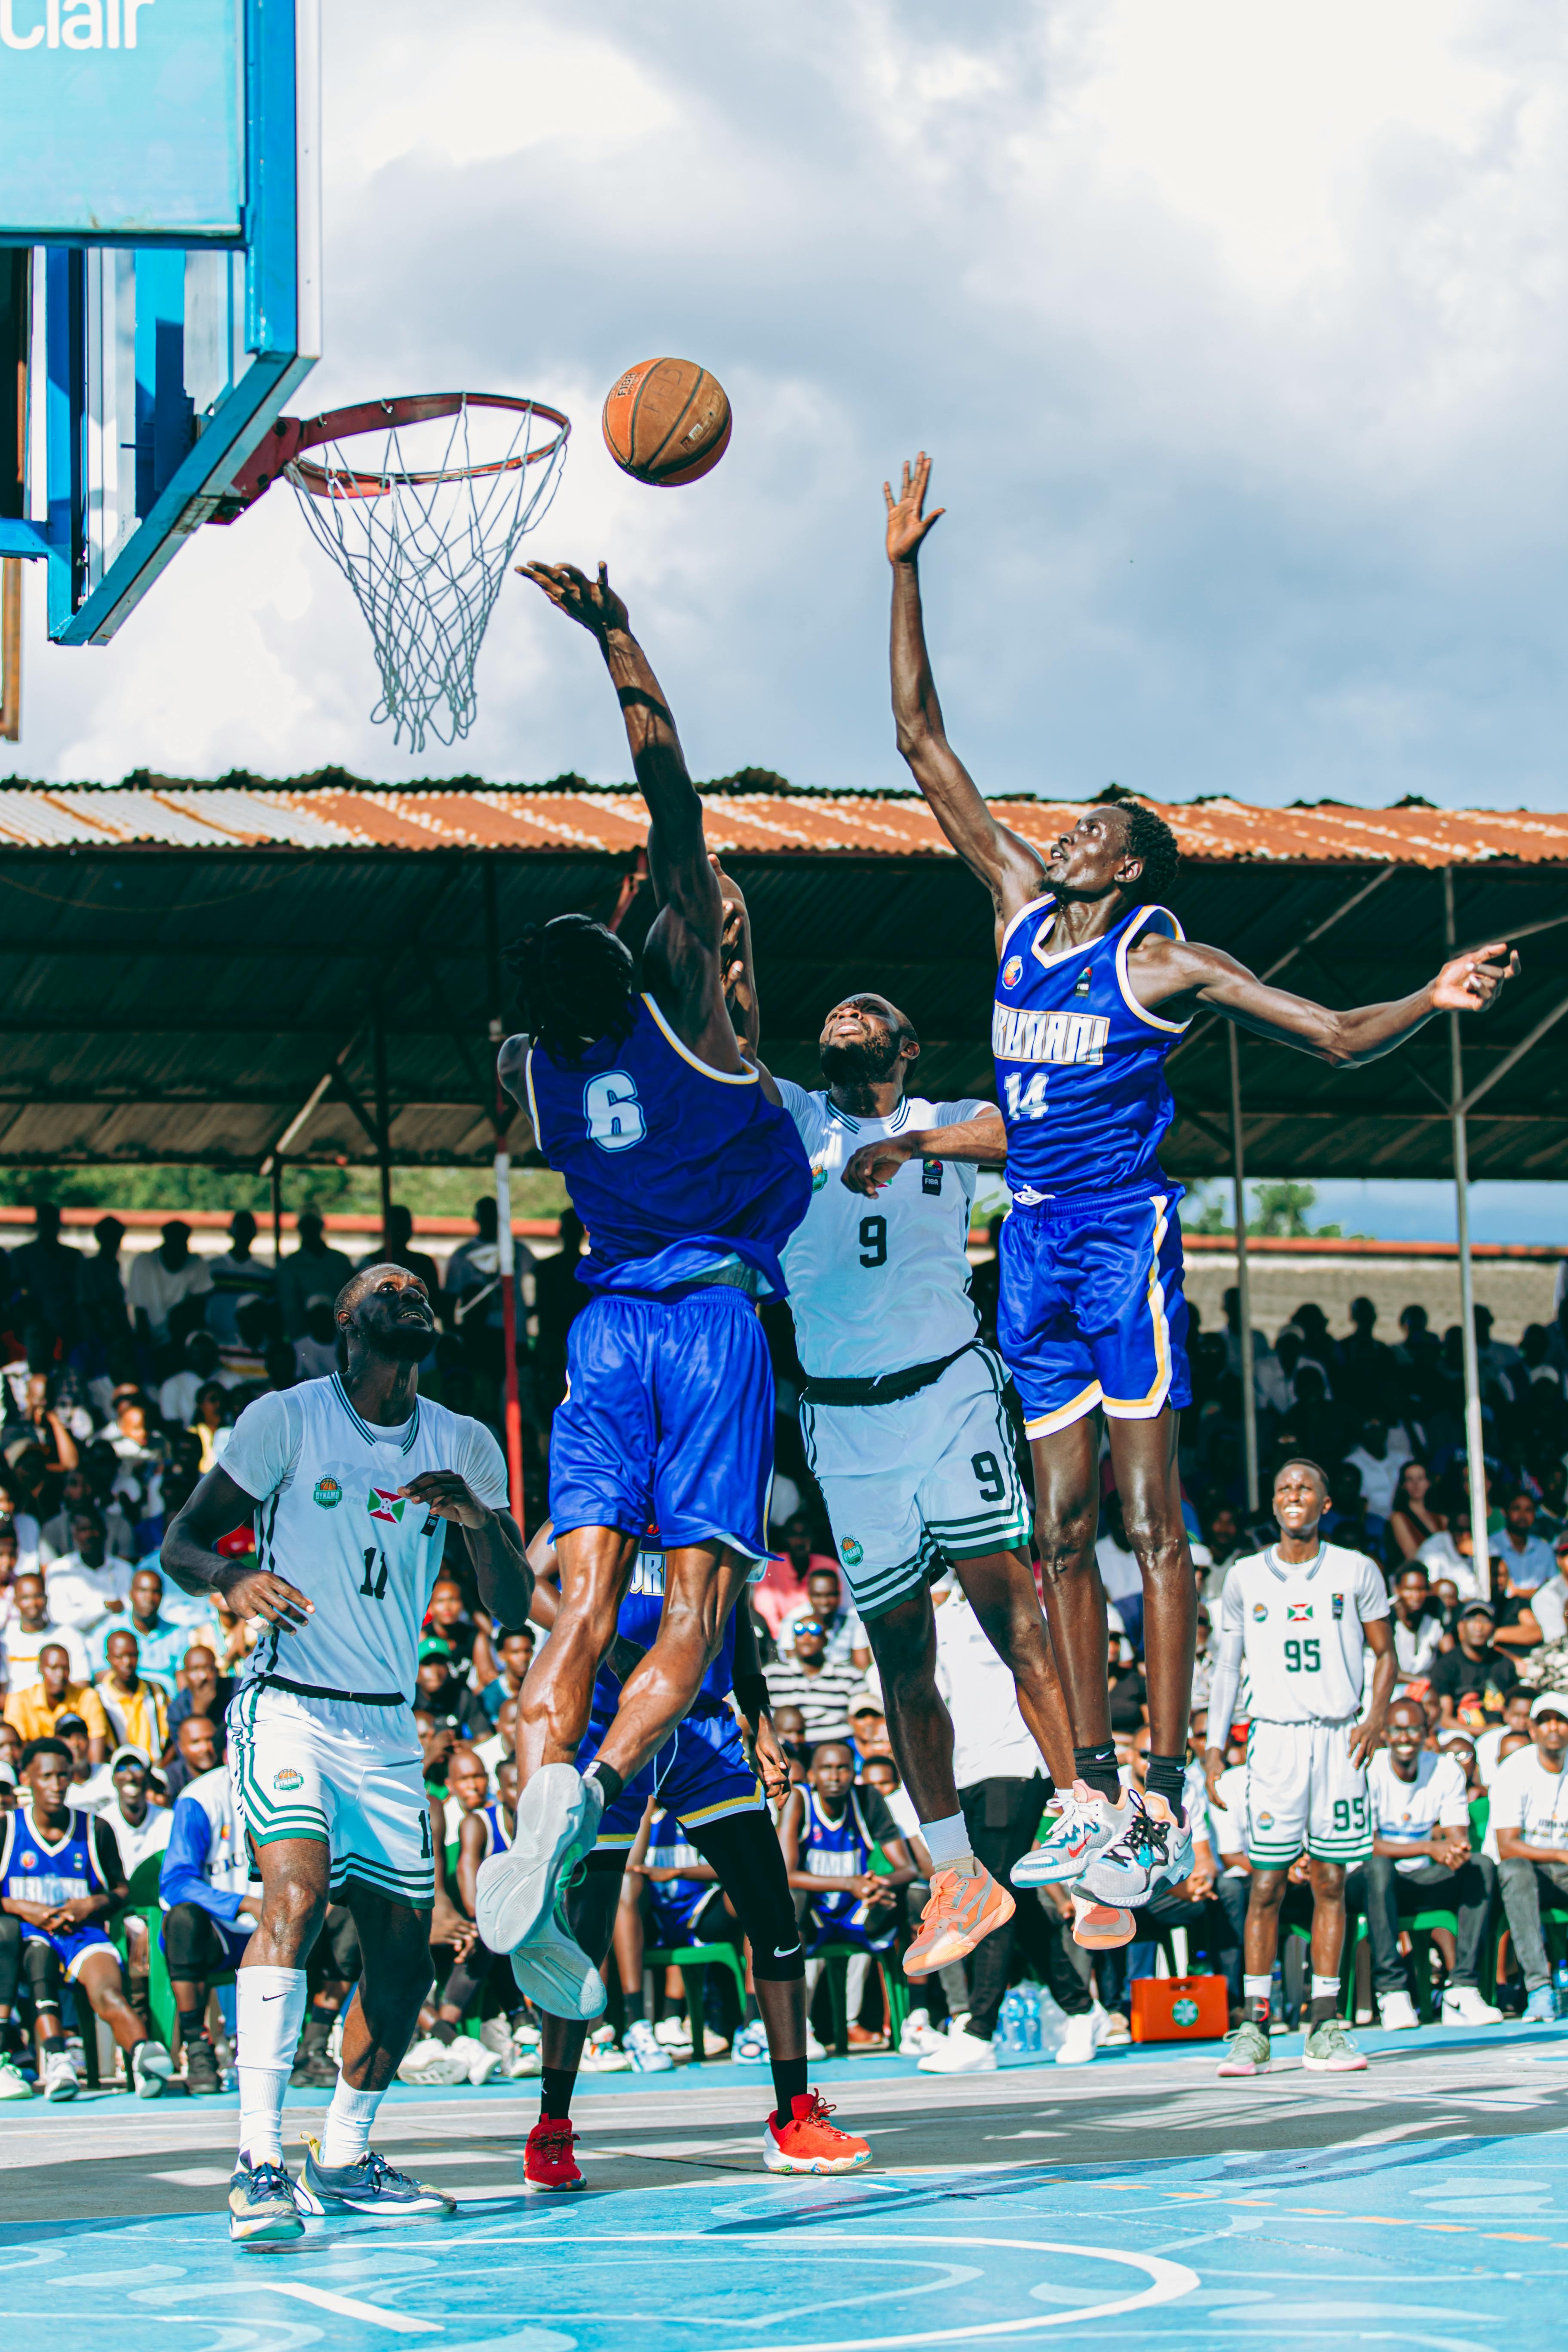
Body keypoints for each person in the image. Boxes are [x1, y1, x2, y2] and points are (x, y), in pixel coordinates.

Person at [864, 450, 1515, 1942]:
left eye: (1098, 824)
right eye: (1074, 825)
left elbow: (1336, 1038)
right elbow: (916, 737)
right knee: (1051, 1529)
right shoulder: (1023, 913)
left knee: (1153, 1523)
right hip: (1027, 1242)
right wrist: (901, 567)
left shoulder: (1163, 956)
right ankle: (1091, 1783)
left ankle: (1163, 1778)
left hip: (1117, 1241)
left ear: (1137, 858)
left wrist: (1422, 989)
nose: (1070, 829)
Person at [481, 556, 811, 2005]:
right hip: (706, 1327)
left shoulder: (534, 1075)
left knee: (576, 1607)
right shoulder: (684, 1013)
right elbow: (674, 802)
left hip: (603, 1332)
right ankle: (596, 1785)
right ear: (649, 941)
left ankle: (538, 1790)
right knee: (691, 1613)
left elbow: (553, 1016)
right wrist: (619, 636)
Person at [161, 1258, 530, 2243]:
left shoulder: (464, 1441)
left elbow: (509, 1600)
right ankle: (255, 2162)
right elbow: (180, 1541)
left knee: (406, 1958)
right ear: (348, 1320)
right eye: (390, 1292)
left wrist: (478, 1519)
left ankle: (341, 2154)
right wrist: (232, 1574)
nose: (410, 1299)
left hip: (384, 1724)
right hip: (288, 1703)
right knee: (293, 1893)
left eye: (420, 1293)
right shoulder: (286, 1417)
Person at [732, 921, 1074, 1983]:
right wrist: (719, 937)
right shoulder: (791, 1115)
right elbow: (725, 1045)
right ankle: (959, 1873)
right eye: (833, 1013)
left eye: (867, 1011)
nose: (846, 1014)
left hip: (950, 1397)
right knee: (903, 1661)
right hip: (846, 1422)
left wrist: (911, 1144)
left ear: (907, 1045)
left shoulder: (949, 1118)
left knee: (1010, 1610)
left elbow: (1030, 1136)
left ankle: (1091, 1808)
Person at [514, 1523, 870, 2185]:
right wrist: (609, 1644)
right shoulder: (602, 1486)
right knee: (583, 1934)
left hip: (701, 1727)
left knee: (772, 1914)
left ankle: (794, 2120)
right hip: (605, 1727)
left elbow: (733, 1613)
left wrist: (759, 1715)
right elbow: (520, 1581)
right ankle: (552, 2129)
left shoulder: (706, 1488)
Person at [1204, 1458, 1395, 2076]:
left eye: (1306, 1488)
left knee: (1333, 1883)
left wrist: (1375, 1718)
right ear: (1275, 1503)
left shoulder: (1356, 1570)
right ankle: (1255, 2025)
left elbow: (1385, 1652)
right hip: (1275, 1740)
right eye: (1285, 1487)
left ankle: (1324, 2022)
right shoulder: (1243, 1576)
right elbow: (1227, 1667)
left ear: (1325, 1504)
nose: (1294, 1495)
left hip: (1340, 1738)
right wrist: (1213, 1745)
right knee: (1265, 1881)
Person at [916, 1575, 1100, 2073]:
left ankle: (980, 2031)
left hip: (1015, 1766)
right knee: (1012, 1904)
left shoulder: (1005, 1599)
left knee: (988, 1898)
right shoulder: (931, 1616)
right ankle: (1081, 2008)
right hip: (964, 1773)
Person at [0, 1737, 174, 2099]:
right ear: (27, 1778)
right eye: (46, 1776)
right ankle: (58, 2057)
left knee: (107, 1991)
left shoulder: (95, 1830)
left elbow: (121, 1891)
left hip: (85, 1933)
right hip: (30, 1935)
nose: (56, 1785)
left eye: (63, 1776)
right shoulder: (8, 1829)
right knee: (39, 1959)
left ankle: (143, 2054)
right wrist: (22, 1907)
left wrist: (89, 1905)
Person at [1348, 1696, 1498, 2030]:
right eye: (1398, 1730)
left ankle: (1462, 1989)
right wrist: (1430, 1847)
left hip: (1420, 1880)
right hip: (1371, 1883)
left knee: (1481, 1866)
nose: (1406, 1738)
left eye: (1414, 1729)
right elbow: (1362, 1845)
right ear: (1385, 1733)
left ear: (1426, 1732)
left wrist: (1455, 1849)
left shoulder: (1445, 1769)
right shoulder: (1367, 1769)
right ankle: (1392, 1992)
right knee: (1380, 1869)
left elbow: (1455, 1836)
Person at [781, 1741, 916, 2044]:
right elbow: (785, 1875)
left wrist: (876, 1886)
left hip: (858, 1909)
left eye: (842, 1768)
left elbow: (907, 1868)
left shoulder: (867, 1798)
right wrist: (849, 1882)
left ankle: (914, 2022)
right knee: (790, 1903)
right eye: (826, 1769)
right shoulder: (799, 1800)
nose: (835, 1776)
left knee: (909, 1898)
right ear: (812, 1775)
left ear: (853, 1773)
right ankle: (799, 2028)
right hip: (813, 1916)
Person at [159, 1754, 264, 2095]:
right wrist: (242, 1903)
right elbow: (175, 1882)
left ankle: (314, 2044)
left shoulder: (296, 1787)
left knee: (342, 1917)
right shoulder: (199, 1798)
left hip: (279, 1926)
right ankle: (198, 2047)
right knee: (182, 1921)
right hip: (219, 1930)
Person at [1491, 1695, 1568, 2023]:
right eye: (1545, 1720)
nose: (1554, 1727)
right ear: (1533, 1729)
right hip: (1523, 1875)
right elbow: (1507, 1847)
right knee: (1516, 1870)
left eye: (1561, 1720)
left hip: (1563, 1872)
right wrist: (1560, 1853)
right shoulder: (1515, 1768)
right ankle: (1539, 1989)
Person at [762, 1618, 861, 1749]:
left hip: (835, 1750)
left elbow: (863, 1719)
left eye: (814, 1631)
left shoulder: (849, 1675)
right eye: (800, 1631)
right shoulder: (772, 1674)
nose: (806, 1637)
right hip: (787, 1750)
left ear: (826, 1639)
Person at [4, 1642, 110, 1758]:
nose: (60, 1675)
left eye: (65, 1668)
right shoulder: (19, 1700)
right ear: (41, 1668)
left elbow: (97, 1755)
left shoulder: (87, 1697)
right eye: (53, 1668)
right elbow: (18, 1752)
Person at [1430, 1598, 1518, 1729]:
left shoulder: (1505, 1664)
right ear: (1461, 1627)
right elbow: (1444, 1720)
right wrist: (1482, 1731)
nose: (1478, 1626)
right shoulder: (1446, 1665)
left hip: (1499, 1731)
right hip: (1458, 1733)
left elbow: (1514, 1711)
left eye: (1485, 1621)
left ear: (1494, 1628)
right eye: (1472, 1620)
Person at [43, 1504, 133, 1631]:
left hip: (118, 1640)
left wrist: (83, 1612)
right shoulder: (60, 1569)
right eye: (83, 1530)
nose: (90, 1535)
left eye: (94, 1529)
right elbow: (59, 1615)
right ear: (74, 1535)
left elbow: (130, 1608)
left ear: (105, 1533)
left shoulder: (124, 1569)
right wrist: (104, 1607)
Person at [127, 1222, 212, 1349]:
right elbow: (140, 1312)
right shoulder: (144, 1263)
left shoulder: (196, 1264)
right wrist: (145, 1352)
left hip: (182, 1340)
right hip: (150, 1339)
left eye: (181, 1247)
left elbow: (198, 1310)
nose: (177, 1253)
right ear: (165, 1245)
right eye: (174, 1247)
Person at [204, 1212, 276, 1355]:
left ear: (254, 1233)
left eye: (248, 1230)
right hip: (217, 1345)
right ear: (231, 1232)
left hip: (255, 1349)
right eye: (240, 1229)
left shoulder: (265, 1275)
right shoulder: (212, 1270)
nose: (244, 1234)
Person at [276, 1211, 355, 1341]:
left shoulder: (341, 1261)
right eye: (306, 1226)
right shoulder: (289, 1266)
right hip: (303, 1340)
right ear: (300, 1228)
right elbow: (289, 1310)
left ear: (321, 1226)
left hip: (339, 1339)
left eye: (313, 1225)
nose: (310, 1230)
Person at [3, 1575, 90, 1689]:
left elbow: (81, 1683)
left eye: (38, 1596)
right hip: (16, 1705)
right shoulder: (5, 1638)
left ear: (47, 1599)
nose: (32, 1604)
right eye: (25, 1598)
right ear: (15, 1602)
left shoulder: (69, 1636)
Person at [95, 1628, 168, 1755]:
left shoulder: (156, 1691)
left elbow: (170, 1737)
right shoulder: (100, 1698)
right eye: (119, 1657)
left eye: (132, 1655)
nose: (127, 1663)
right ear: (108, 1658)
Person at [1389, 1563, 1447, 1693]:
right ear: (1397, 1590)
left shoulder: (1435, 1613)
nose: (1415, 1596)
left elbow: (1448, 1654)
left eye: (1421, 1590)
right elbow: (1387, 1670)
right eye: (1409, 1590)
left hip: (1424, 1689)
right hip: (1391, 1690)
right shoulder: (1387, 1616)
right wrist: (1424, 1682)